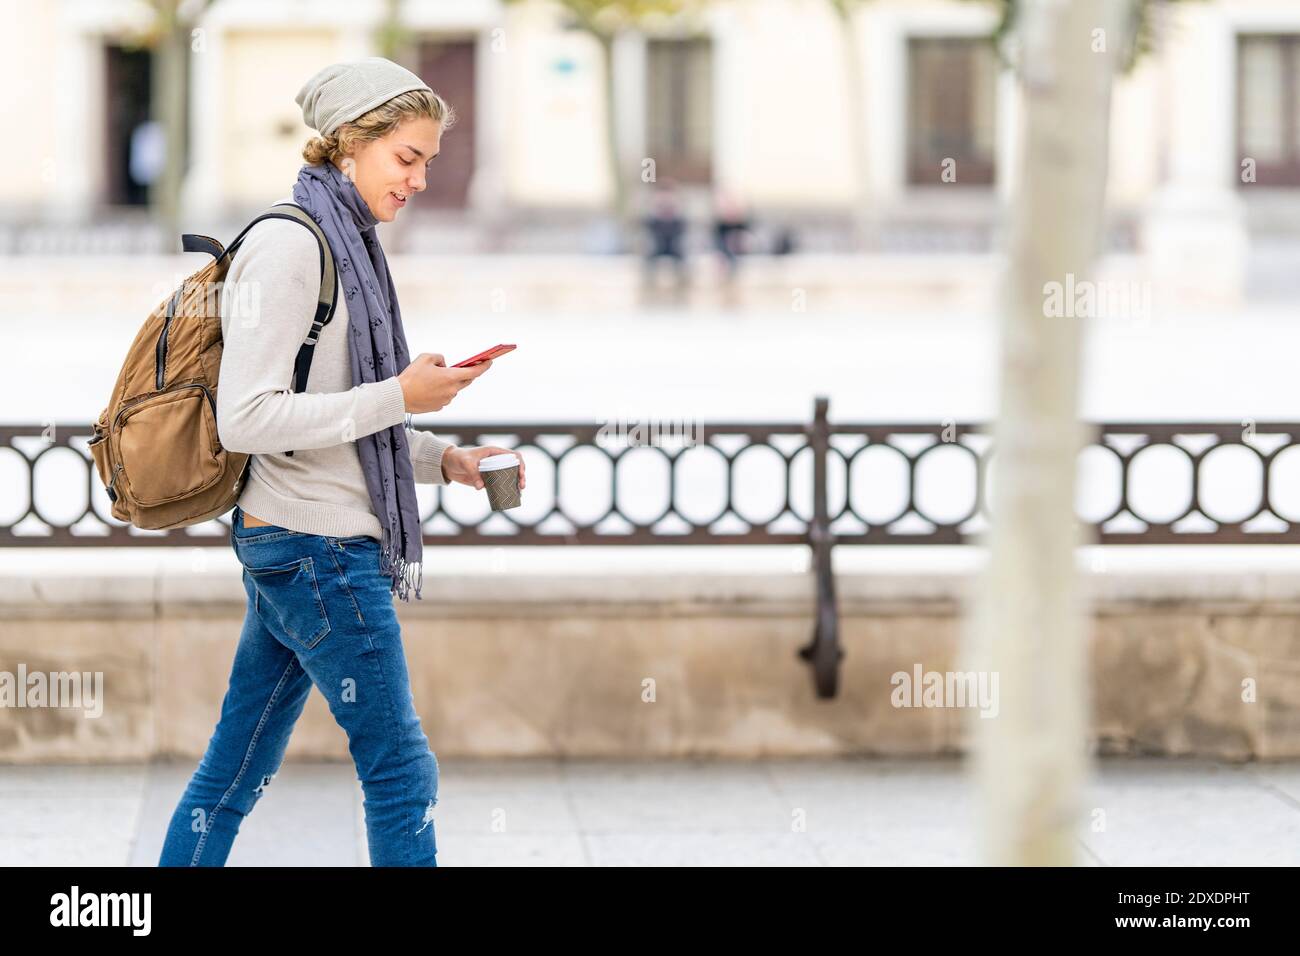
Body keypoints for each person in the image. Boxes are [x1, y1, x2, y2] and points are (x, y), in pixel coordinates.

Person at [158, 56, 525, 867]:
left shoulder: (345, 242)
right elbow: (248, 417)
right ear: (349, 145)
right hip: (317, 551)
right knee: (401, 771)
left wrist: (449, 459)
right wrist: (400, 395)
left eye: (428, 159)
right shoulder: (293, 248)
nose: (422, 178)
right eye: (407, 157)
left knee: (237, 766)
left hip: (291, 542)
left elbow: (332, 421)